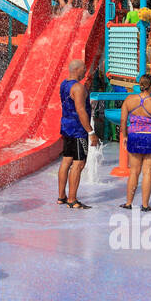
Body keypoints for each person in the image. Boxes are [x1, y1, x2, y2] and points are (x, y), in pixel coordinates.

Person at [119, 74, 151, 211]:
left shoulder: (129, 100)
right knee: (148, 172)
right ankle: (145, 205)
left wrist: (125, 135)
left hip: (134, 137)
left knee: (134, 172)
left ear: (139, 85)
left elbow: (124, 120)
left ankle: (128, 203)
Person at [57, 60, 97, 210]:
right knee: (78, 164)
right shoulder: (78, 88)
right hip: (78, 129)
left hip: (66, 126)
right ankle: (72, 200)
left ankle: (61, 197)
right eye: (84, 69)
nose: (85, 72)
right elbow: (81, 110)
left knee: (66, 161)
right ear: (77, 69)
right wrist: (91, 132)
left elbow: (73, 100)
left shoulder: (64, 84)